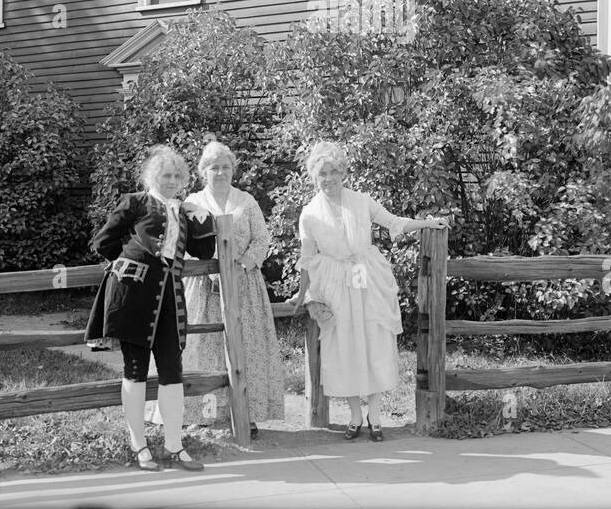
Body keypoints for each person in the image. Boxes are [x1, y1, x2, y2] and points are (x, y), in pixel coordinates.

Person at [288, 140, 449, 441]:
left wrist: (427, 223)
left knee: (373, 339)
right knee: (345, 344)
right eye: (323, 173)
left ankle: (375, 416)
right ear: (314, 176)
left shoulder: (361, 201)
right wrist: (304, 295)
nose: (329, 178)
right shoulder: (309, 213)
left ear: (343, 173)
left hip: (366, 277)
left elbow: (393, 222)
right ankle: (354, 416)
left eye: (334, 171)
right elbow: (307, 258)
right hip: (335, 281)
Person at [84, 145, 216, 472]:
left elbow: (203, 250)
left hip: (170, 298)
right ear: (153, 177)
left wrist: (204, 219)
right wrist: (132, 263)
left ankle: (174, 445)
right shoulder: (135, 202)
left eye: (176, 176)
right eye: (165, 175)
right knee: (135, 369)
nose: (171, 181)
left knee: (172, 371)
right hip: (134, 297)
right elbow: (103, 243)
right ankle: (139, 445)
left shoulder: (186, 211)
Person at [173, 140, 286, 437]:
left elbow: (262, 240)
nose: (220, 172)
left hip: (244, 285)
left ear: (233, 170)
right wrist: (210, 270)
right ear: (203, 172)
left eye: (225, 167)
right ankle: (204, 414)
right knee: (203, 350)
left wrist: (240, 266)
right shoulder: (192, 204)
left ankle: (246, 413)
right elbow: (181, 244)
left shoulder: (246, 201)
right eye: (214, 168)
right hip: (203, 286)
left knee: (247, 350)